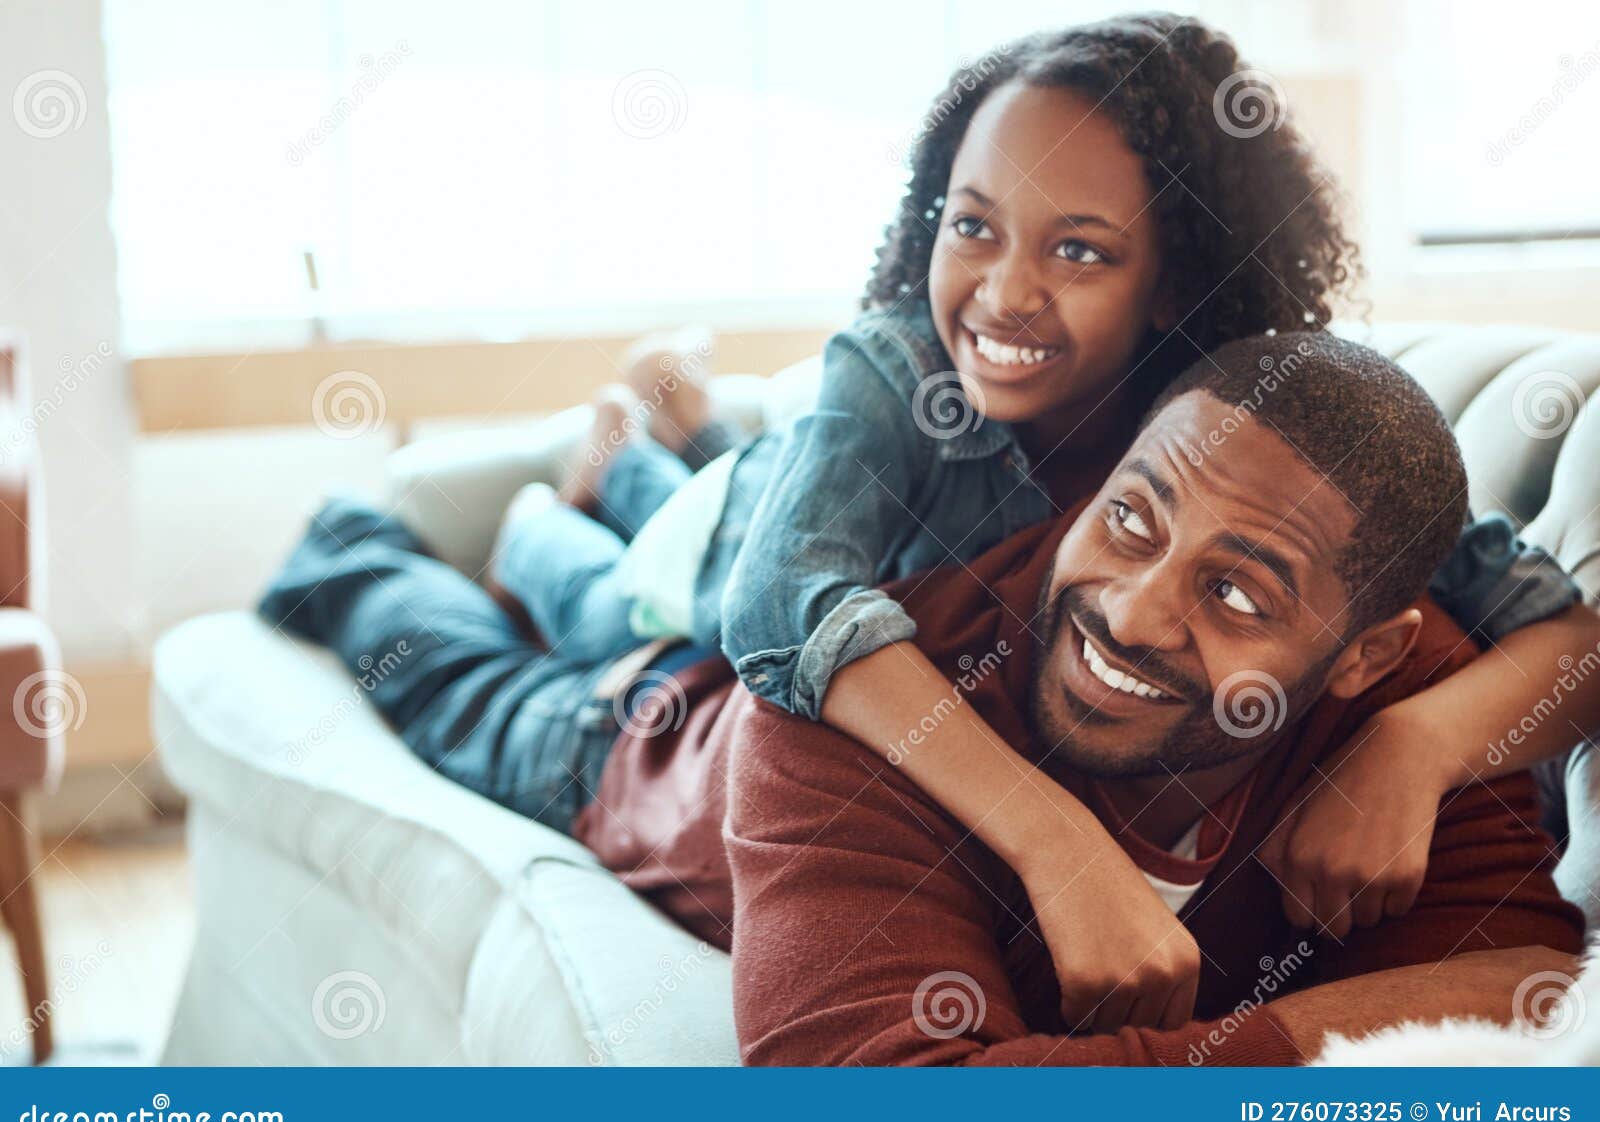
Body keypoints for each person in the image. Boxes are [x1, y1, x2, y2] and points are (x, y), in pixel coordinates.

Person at [260, 14, 1598, 1033]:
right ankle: (565, 487)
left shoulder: (1240, 425)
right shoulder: (901, 366)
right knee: (597, 594)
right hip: (716, 640)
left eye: (1079, 249)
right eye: (973, 226)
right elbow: (777, 604)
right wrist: (1053, 835)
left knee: (676, 524)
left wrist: (1418, 745)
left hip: (763, 582)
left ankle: (663, 437)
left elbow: (1554, 628)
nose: (1003, 293)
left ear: (1176, 277)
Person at [577, 332, 1587, 1063]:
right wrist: (1332, 1029)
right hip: (637, 736)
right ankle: (604, 462)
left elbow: (1520, 1003)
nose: (1133, 615)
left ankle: (670, 436)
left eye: (1237, 593)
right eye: (1132, 519)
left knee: (673, 530)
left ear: (1367, 656)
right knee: (558, 595)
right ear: (1095, 485)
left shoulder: (1415, 711)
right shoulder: (849, 711)